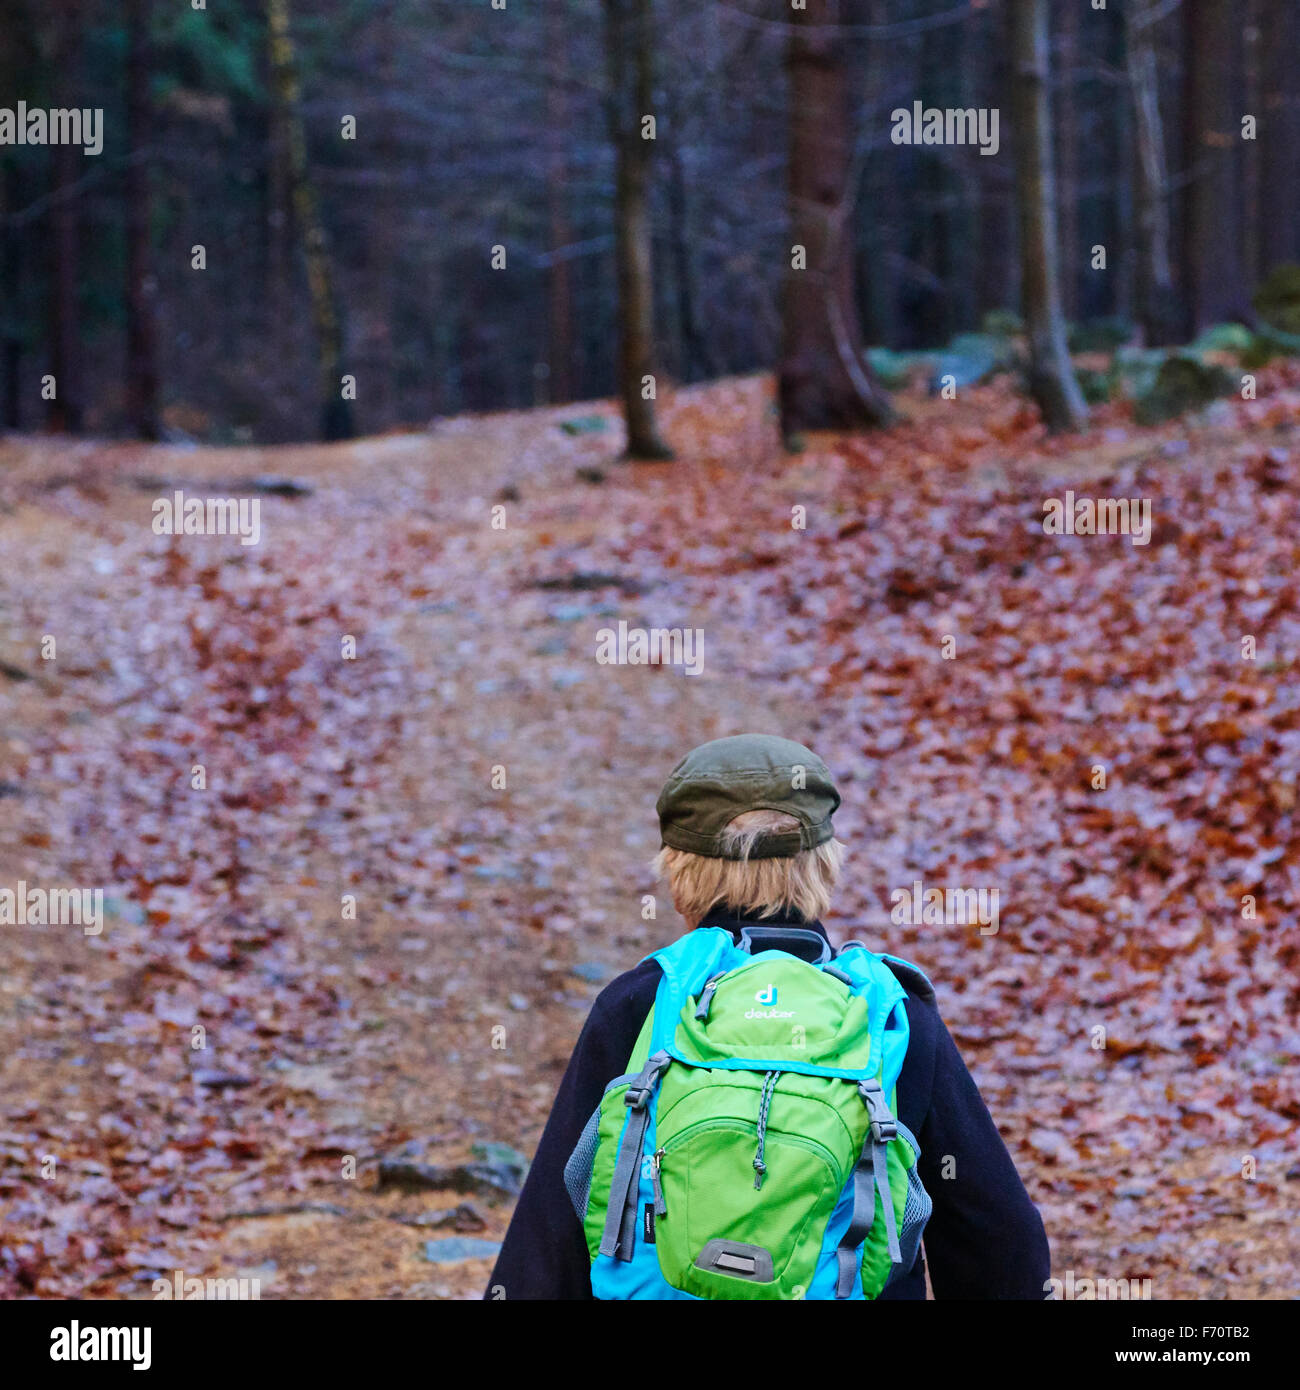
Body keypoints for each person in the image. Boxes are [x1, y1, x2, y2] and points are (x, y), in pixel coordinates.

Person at [487, 733, 1049, 1299]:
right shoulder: (888, 1015)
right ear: (826, 866)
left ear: (679, 876)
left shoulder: (643, 1006)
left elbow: (554, 1232)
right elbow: (998, 1239)